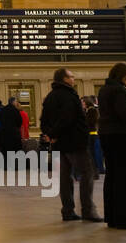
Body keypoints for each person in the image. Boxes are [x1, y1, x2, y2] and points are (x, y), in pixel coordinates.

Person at [41, 68, 100, 222]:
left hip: (59, 144)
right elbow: (67, 119)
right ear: (65, 79)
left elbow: (43, 121)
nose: (74, 79)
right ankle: (88, 210)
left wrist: (50, 135)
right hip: (75, 143)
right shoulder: (70, 95)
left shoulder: (50, 97)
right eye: (71, 76)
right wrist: (54, 134)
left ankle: (68, 211)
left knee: (65, 178)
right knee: (87, 174)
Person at [97, 62, 126, 230]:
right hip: (120, 136)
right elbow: (124, 114)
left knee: (112, 177)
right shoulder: (118, 90)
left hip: (107, 135)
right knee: (125, 179)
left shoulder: (103, 89)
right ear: (124, 77)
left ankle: (112, 217)